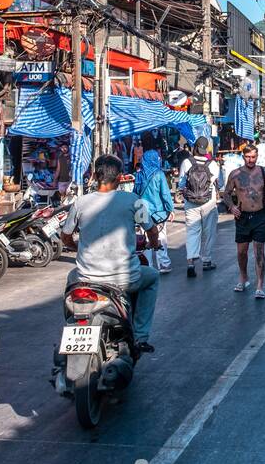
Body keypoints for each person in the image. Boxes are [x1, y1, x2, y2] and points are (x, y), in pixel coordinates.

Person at [62, 154, 161, 355]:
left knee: (71, 279)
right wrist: (154, 243)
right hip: (125, 279)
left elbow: (66, 236)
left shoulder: (80, 202)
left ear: (94, 175)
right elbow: (151, 230)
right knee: (152, 277)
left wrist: (75, 247)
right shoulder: (134, 200)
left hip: (87, 279)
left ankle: (71, 320)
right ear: (120, 177)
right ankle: (140, 336)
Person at [222, 143, 265, 298]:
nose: (251, 160)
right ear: (243, 157)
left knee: (259, 251)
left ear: (257, 156)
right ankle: (243, 277)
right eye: (247, 157)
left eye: (253, 157)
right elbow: (226, 193)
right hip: (243, 217)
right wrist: (232, 207)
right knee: (241, 252)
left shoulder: (264, 171)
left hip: (260, 216)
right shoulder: (235, 174)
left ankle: (260, 286)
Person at [178, 137, 222, 278]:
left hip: (191, 202)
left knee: (192, 231)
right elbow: (219, 184)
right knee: (209, 232)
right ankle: (207, 261)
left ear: (195, 147)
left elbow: (181, 184)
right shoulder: (213, 164)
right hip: (209, 202)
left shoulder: (186, 162)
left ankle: (191, 263)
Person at [134, 148, 175, 273]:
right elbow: (165, 194)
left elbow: (135, 193)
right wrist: (170, 209)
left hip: (142, 211)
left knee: (145, 239)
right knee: (160, 237)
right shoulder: (159, 174)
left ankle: (148, 266)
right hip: (158, 212)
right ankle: (163, 264)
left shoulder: (139, 174)